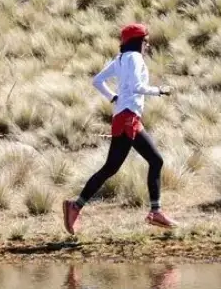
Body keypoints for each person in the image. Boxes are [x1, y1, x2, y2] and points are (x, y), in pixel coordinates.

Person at [63, 23, 176, 234]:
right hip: (129, 119)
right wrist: (160, 91)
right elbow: (136, 88)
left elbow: (97, 81)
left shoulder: (121, 59)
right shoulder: (135, 59)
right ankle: (155, 211)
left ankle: (75, 206)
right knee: (156, 160)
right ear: (138, 41)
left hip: (121, 118)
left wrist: (113, 97)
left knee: (110, 168)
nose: (147, 45)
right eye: (146, 41)